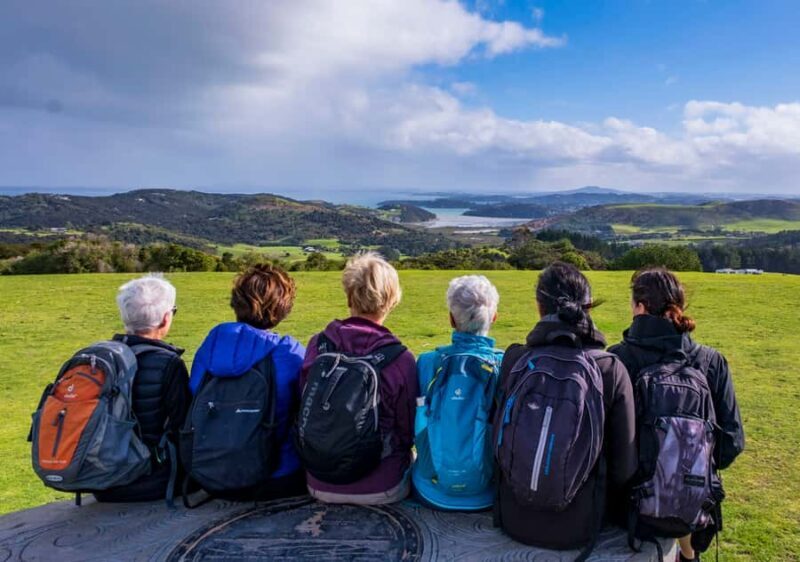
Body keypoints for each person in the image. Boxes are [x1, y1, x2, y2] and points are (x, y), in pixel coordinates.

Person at [494, 262, 637, 552]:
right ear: (588, 307)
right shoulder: (609, 368)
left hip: (512, 518)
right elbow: (624, 467)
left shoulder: (514, 360)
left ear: (539, 306)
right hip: (581, 526)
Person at [609, 268, 744, 561]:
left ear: (640, 308)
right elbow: (732, 442)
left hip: (626, 512)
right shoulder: (711, 362)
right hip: (690, 511)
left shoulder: (616, 360)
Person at [298, 252, 418, 504]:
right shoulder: (400, 358)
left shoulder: (318, 344)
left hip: (319, 481)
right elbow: (407, 431)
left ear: (349, 294)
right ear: (392, 299)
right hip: (382, 486)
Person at [188, 264, 306, 500]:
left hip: (211, 476)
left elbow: (194, 391)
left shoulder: (210, 346)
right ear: (282, 308)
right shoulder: (288, 351)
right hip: (278, 478)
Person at [94, 274, 191, 503]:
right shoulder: (169, 363)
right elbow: (183, 424)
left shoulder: (102, 357)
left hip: (103, 479)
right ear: (166, 319)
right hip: (153, 482)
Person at [413, 275, 503, 511]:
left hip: (432, 490)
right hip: (489, 493)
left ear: (451, 319)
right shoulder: (505, 365)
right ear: (494, 317)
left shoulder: (427, 363)